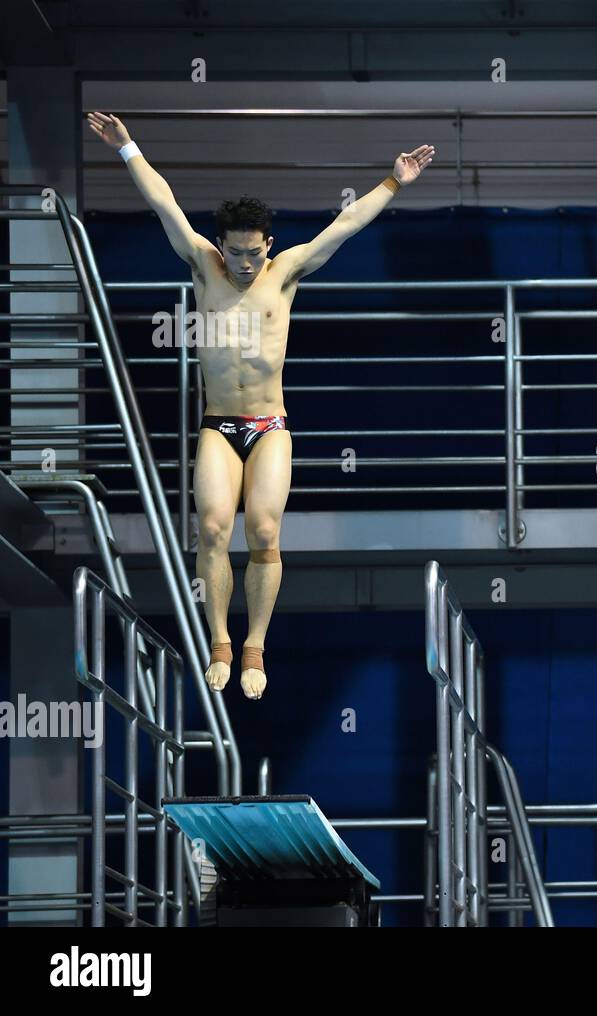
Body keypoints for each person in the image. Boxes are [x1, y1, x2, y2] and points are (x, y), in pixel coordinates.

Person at [87, 110, 434, 697]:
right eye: (235, 253)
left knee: (265, 531)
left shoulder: (286, 270)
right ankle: (220, 640)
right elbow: (165, 205)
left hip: (270, 425)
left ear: (267, 244)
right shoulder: (204, 267)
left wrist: (394, 181)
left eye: (253, 252)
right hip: (218, 426)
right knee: (214, 529)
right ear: (220, 246)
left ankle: (255, 647)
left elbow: (344, 226)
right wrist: (126, 149)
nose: (245, 264)